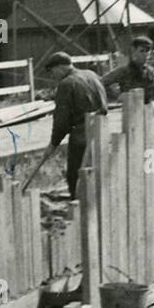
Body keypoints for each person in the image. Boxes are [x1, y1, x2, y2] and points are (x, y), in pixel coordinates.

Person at [44, 52, 108, 199]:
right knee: (98, 173)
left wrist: (53, 143)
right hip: (101, 130)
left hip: (81, 135)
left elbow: (61, 120)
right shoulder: (92, 75)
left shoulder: (66, 84)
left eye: (52, 71)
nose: (53, 76)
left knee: (75, 176)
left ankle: (77, 205)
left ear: (59, 67)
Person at [102, 33, 154, 104]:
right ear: (134, 52)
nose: (145, 54)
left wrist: (153, 101)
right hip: (128, 109)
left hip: (146, 110)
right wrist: (116, 95)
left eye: (147, 51)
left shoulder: (151, 72)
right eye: (142, 51)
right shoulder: (123, 72)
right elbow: (100, 83)